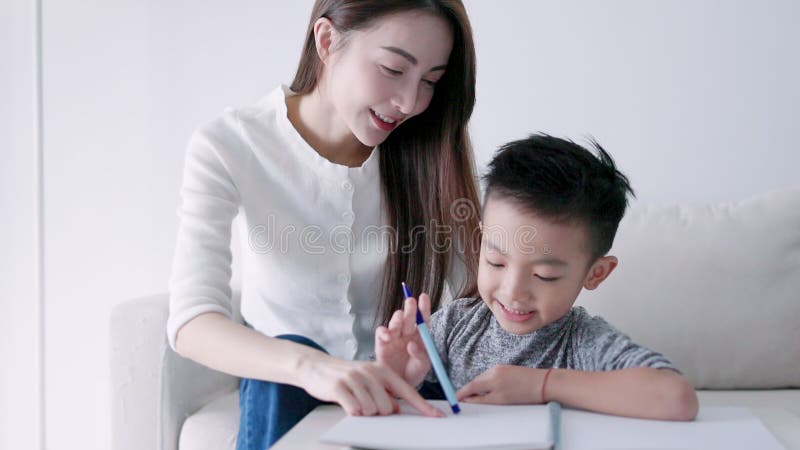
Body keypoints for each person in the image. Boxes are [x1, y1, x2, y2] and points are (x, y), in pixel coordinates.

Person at [167, 1, 483, 448]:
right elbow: (192, 322)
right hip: (288, 385)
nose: (410, 102)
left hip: (401, 387)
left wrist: (420, 359)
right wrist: (309, 366)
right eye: (394, 69)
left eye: (430, 81)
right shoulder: (230, 144)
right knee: (283, 373)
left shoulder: (429, 156)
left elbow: (484, 298)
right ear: (327, 40)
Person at [376, 134, 699, 421]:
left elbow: (677, 398)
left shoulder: (582, 342)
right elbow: (388, 405)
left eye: (544, 276)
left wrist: (542, 385)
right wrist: (398, 378)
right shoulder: (454, 326)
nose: (513, 291)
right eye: (496, 262)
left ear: (595, 273)